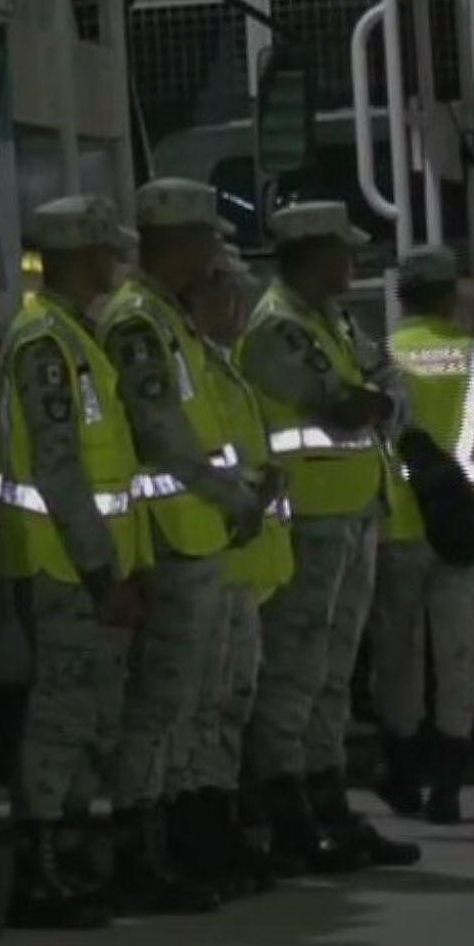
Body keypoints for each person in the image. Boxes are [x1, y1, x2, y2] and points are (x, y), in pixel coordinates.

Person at [97, 178, 265, 915]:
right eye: (202, 238)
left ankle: (175, 843)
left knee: (193, 704)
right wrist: (232, 496)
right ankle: (140, 853)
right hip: (174, 537)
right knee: (161, 706)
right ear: (176, 241)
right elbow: (162, 433)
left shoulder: (170, 321)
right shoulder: (138, 324)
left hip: (203, 537)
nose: (210, 253)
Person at [236, 201, 419, 872]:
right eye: (344, 249)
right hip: (309, 520)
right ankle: (289, 817)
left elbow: (393, 388)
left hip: (351, 515)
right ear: (312, 253)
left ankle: (329, 809)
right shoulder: (277, 328)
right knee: (296, 673)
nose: (354, 261)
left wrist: (381, 396)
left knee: (333, 676)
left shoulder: (331, 320)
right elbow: (348, 406)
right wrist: (375, 397)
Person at [0, 195, 149, 930]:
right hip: (64, 569)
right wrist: (101, 572)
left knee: (87, 716)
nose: (113, 264)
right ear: (78, 256)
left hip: (86, 566)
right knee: (58, 720)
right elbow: (59, 468)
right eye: (103, 252)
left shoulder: (74, 336)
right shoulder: (45, 342)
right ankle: (39, 871)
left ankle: (73, 862)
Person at [372, 246, 474, 824]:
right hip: (459, 527)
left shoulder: (383, 355)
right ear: (450, 295)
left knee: (398, 654)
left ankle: (404, 774)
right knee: (455, 654)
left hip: (398, 525)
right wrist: (465, 497)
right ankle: (448, 790)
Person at [185, 243, 295, 895]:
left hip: (244, 567)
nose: (239, 308)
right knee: (205, 707)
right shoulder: (196, 365)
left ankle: (224, 825)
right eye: (230, 296)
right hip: (214, 559)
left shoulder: (225, 367)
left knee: (232, 703)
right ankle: (205, 830)